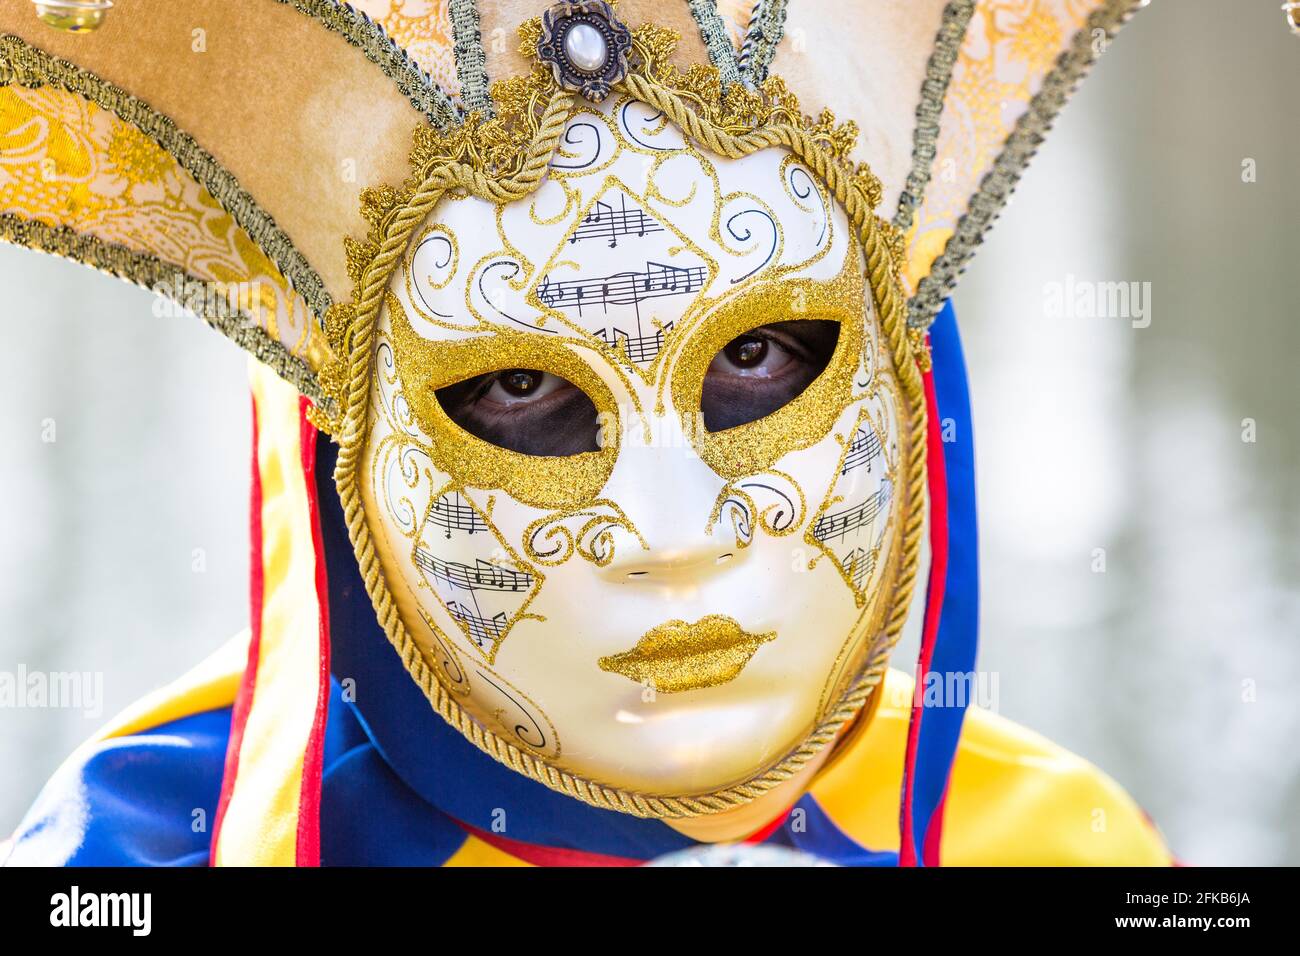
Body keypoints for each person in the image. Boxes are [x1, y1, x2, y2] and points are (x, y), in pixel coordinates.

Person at [0, 0, 1170, 866]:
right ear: (335, 422)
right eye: (515, 385)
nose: (667, 536)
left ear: (908, 372)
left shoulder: (1064, 845)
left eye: (756, 354)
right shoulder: (124, 860)